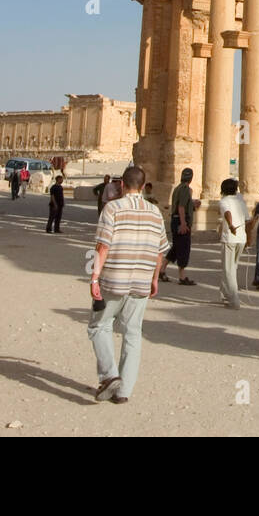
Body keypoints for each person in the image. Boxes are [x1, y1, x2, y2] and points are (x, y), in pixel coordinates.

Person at [87, 165, 170, 405]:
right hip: (142, 282)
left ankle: (109, 375)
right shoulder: (155, 213)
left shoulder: (112, 208)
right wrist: (155, 278)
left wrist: (94, 277)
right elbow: (160, 250)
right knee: (132, 333)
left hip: (113, 281)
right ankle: (124, 391)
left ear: (121, 185)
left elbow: (102, 246)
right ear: (143, 187)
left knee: (98, 326)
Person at [160, 168, 198, 285]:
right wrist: (183, 223)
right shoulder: (185, 189)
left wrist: (193, 204)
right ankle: (182, 276)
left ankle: (162, 270)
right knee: (183, 248)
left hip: (176, 219)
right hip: (181, 221)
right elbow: (181, 207)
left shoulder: (177, 188)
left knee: (176, 248)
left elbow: (182, 205)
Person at [218, 178, 248, 309]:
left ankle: (233, 301)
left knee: (228, 269)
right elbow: (248, 220)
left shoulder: (224, 201)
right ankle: (225, 295)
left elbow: (227, 213)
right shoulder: (241, 202)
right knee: (232, 268)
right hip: (241, 238)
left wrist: (230, 225)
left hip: (230, 238)